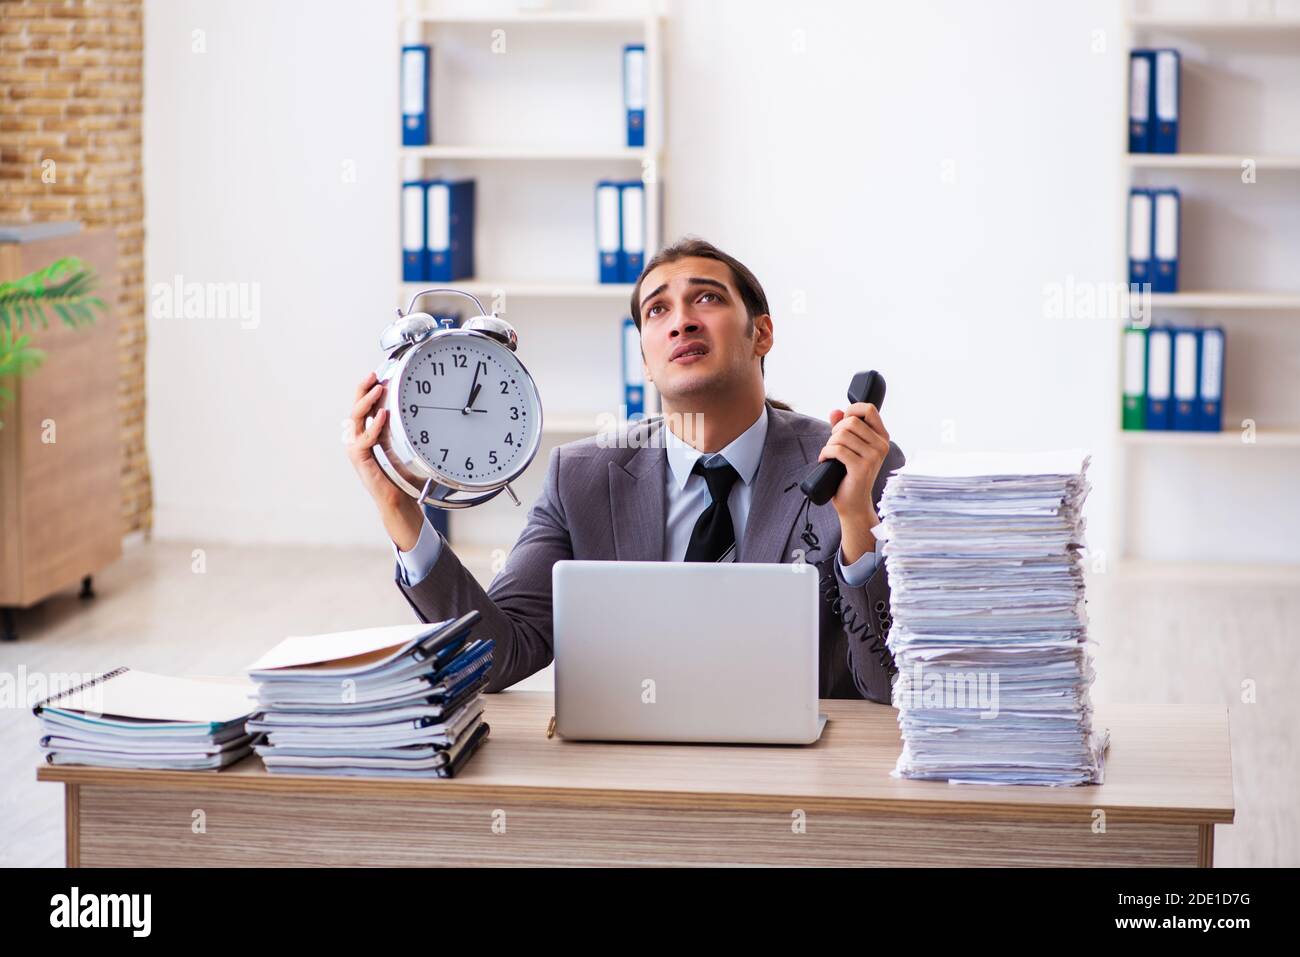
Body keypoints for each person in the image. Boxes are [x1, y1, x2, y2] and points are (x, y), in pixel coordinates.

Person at [347, 237, 904, 703]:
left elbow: (886, 684)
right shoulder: (582, 478)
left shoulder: (854, 468)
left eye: (706, 299)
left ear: (761, 333)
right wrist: (400, 511)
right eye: (658, 310)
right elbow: (497, 656)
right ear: (645, 357)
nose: (681, 321)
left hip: (801, 785)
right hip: (633, 777)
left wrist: (856, 522)